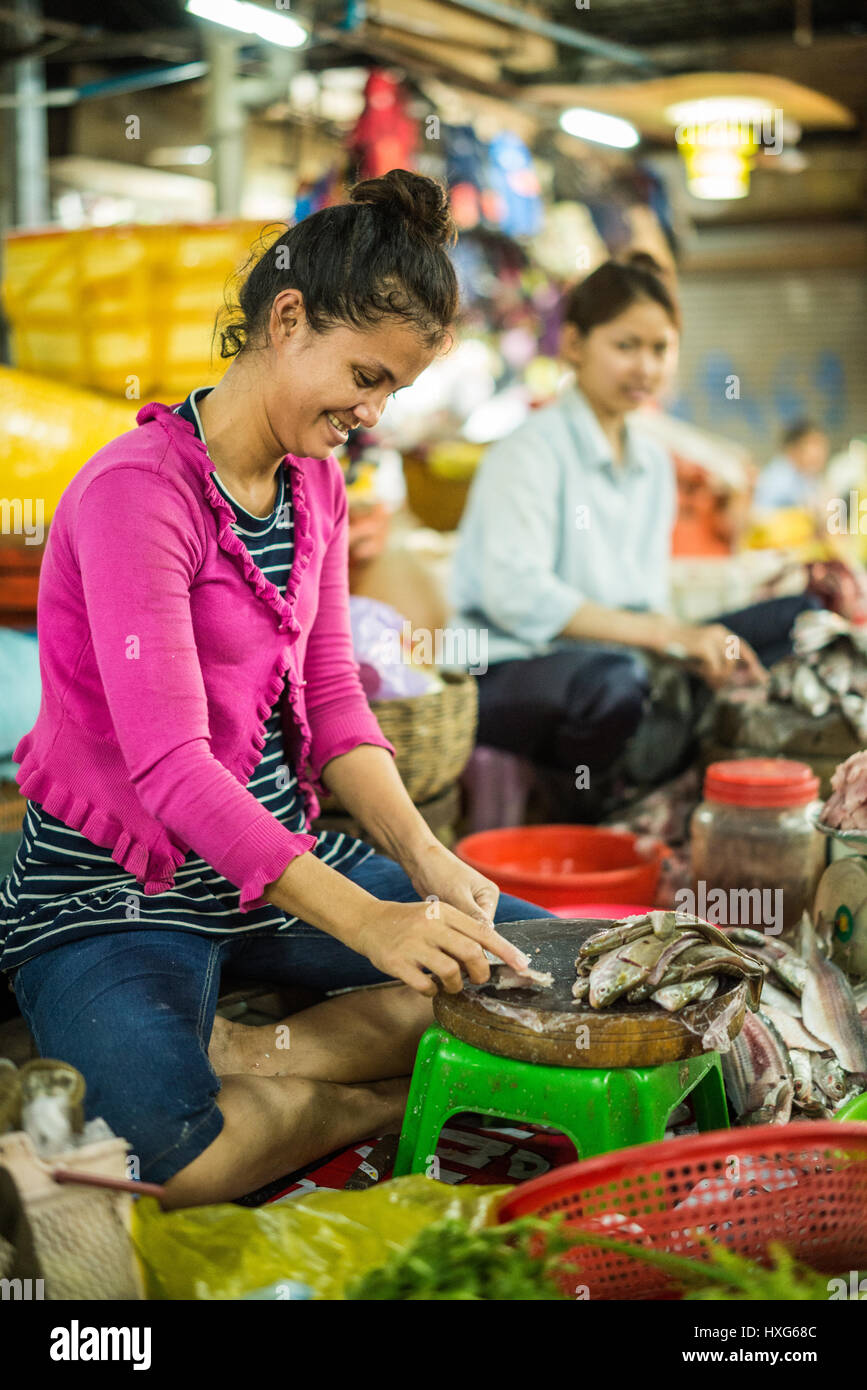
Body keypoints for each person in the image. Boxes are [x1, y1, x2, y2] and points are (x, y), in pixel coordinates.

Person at [0, 170, 549, 1209]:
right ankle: (381, 1097)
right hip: (120, 884)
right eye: (366, 375)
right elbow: (170, 769)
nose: (373, 411)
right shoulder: (137, 494)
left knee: (535, 963)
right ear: (287, 318)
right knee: (172, 1158)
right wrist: (371, 926)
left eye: (394, 391)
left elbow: (337, 701)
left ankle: (256, 1053)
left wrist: (428, 861)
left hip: (271, 873)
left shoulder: (318, 486)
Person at [449, 254, 821, 814]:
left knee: (801, 617)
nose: (645, 366)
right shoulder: (529, 452)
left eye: (659, 348)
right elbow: (514, 595)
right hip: (511, 669)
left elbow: (648, 596)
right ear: (574, 344)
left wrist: (687, 645)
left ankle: (658, 775)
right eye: (626, 346)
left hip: (623, 654)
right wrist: (664, 636)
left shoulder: (651, 461)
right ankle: (582, 814)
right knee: (613, 684)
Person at [753, 420, 830, 514]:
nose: (820, 453)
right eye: (815, 444)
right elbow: (763, 516)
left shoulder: (807, 476)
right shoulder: (779, 477)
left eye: (822, 446)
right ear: (794, 447)